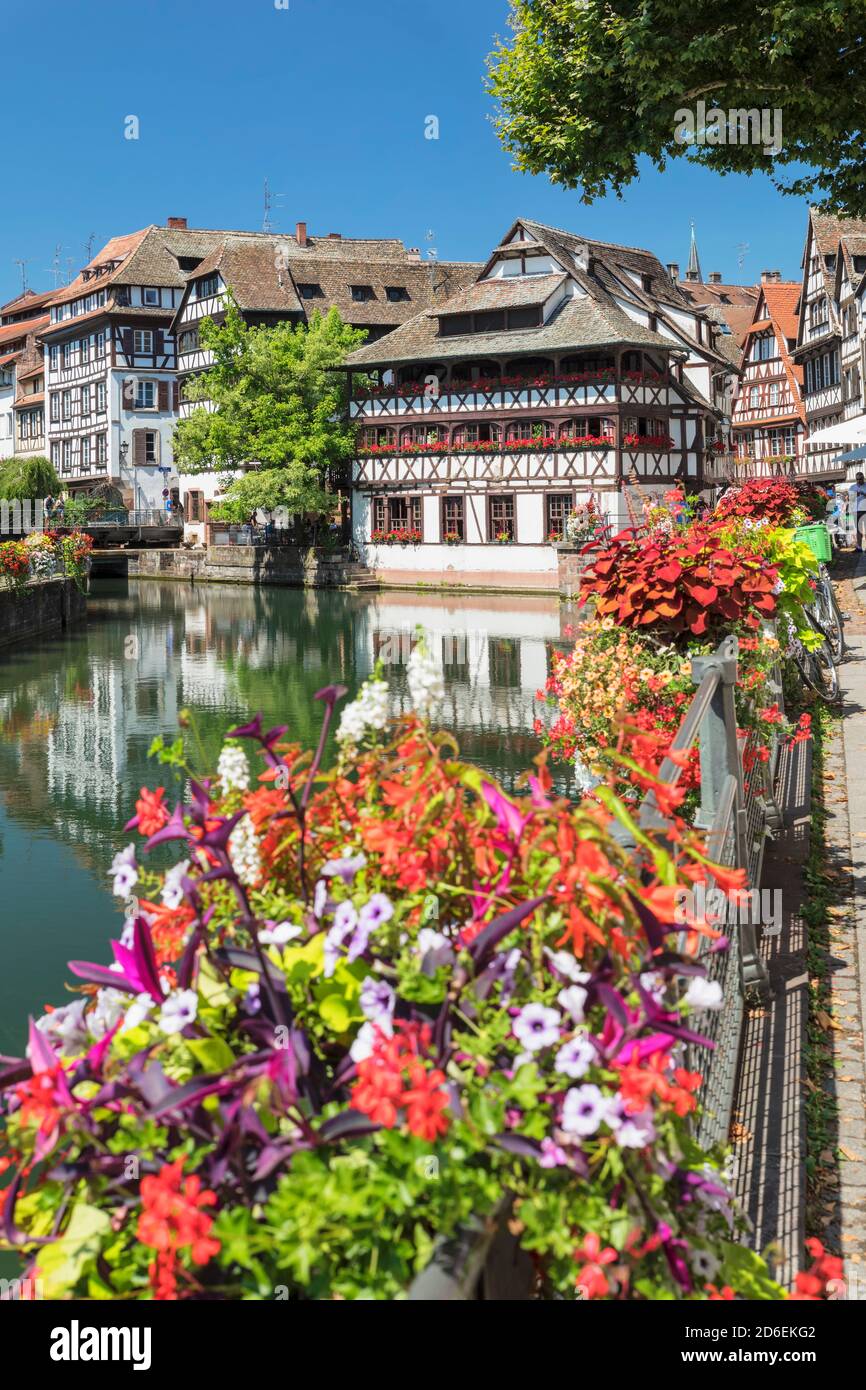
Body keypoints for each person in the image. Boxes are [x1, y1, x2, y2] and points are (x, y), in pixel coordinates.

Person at [853, 473, 866, 551]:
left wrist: (863, 493)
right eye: (857, 479)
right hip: (856, 510)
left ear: (863, 478)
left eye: (860, 479)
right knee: (858, 530)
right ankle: (859, 547)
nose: (859, 480)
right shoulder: (853, 487)